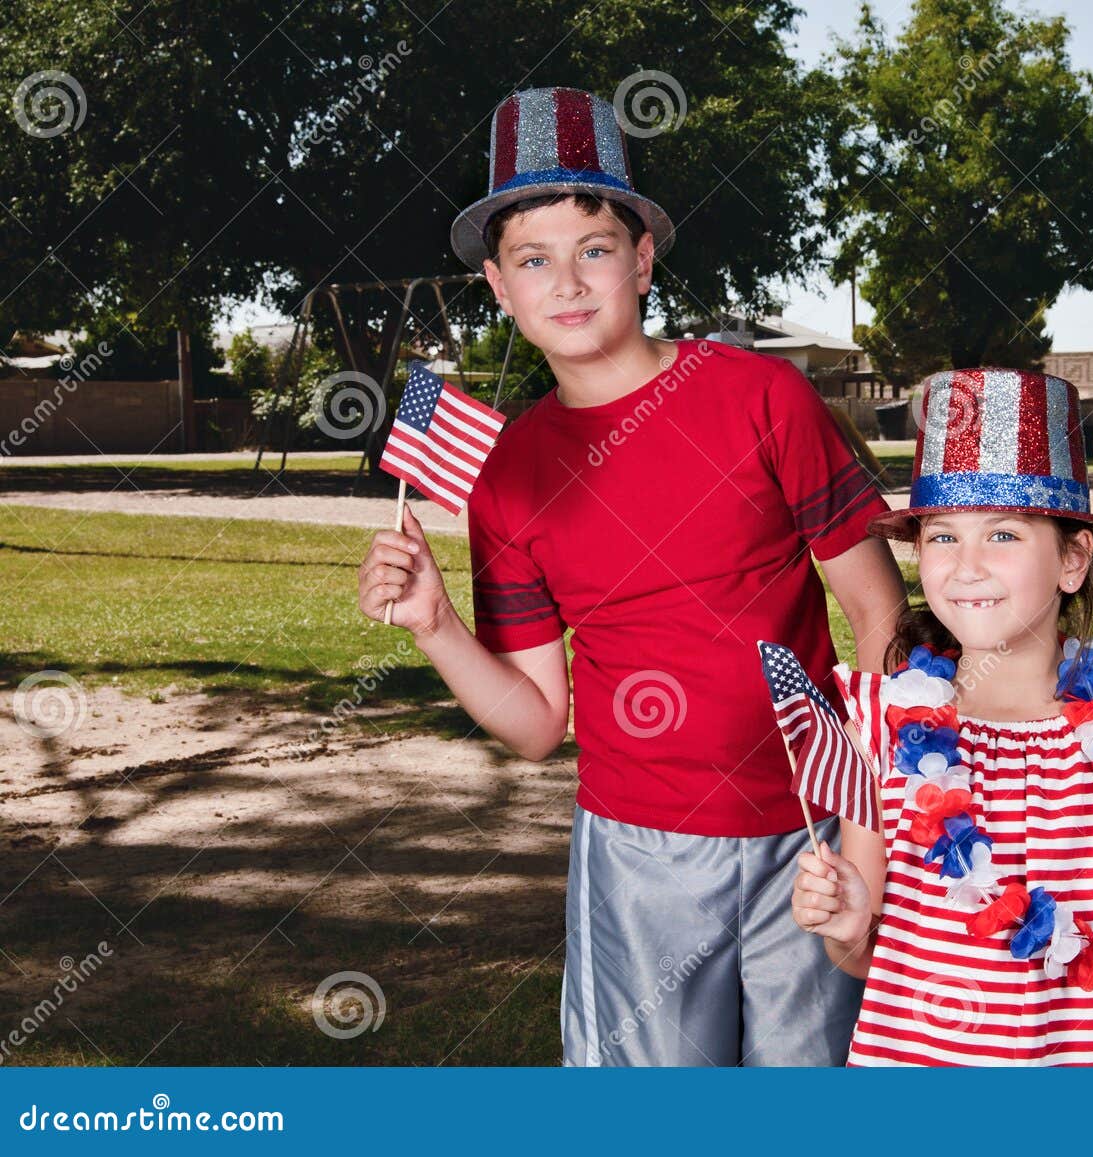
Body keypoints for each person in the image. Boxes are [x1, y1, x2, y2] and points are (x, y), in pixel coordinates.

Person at [357, 87, 907, 1065]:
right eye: (533, 259)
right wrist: (434, 624)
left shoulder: (761, 396)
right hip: (637, 850)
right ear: (497, 284)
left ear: (642, 259)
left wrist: (869, 830)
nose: (566, 282)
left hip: (810, 830)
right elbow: (534, 722)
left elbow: (877, 612)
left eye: (594, 250)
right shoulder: (507, 476)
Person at [790, 367, 1093, 1065]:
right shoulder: (884, 728)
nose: (965, 565)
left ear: (1072, 558)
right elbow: (863, 950)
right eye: (942, 537)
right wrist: (848, 927)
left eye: (1002, 535)